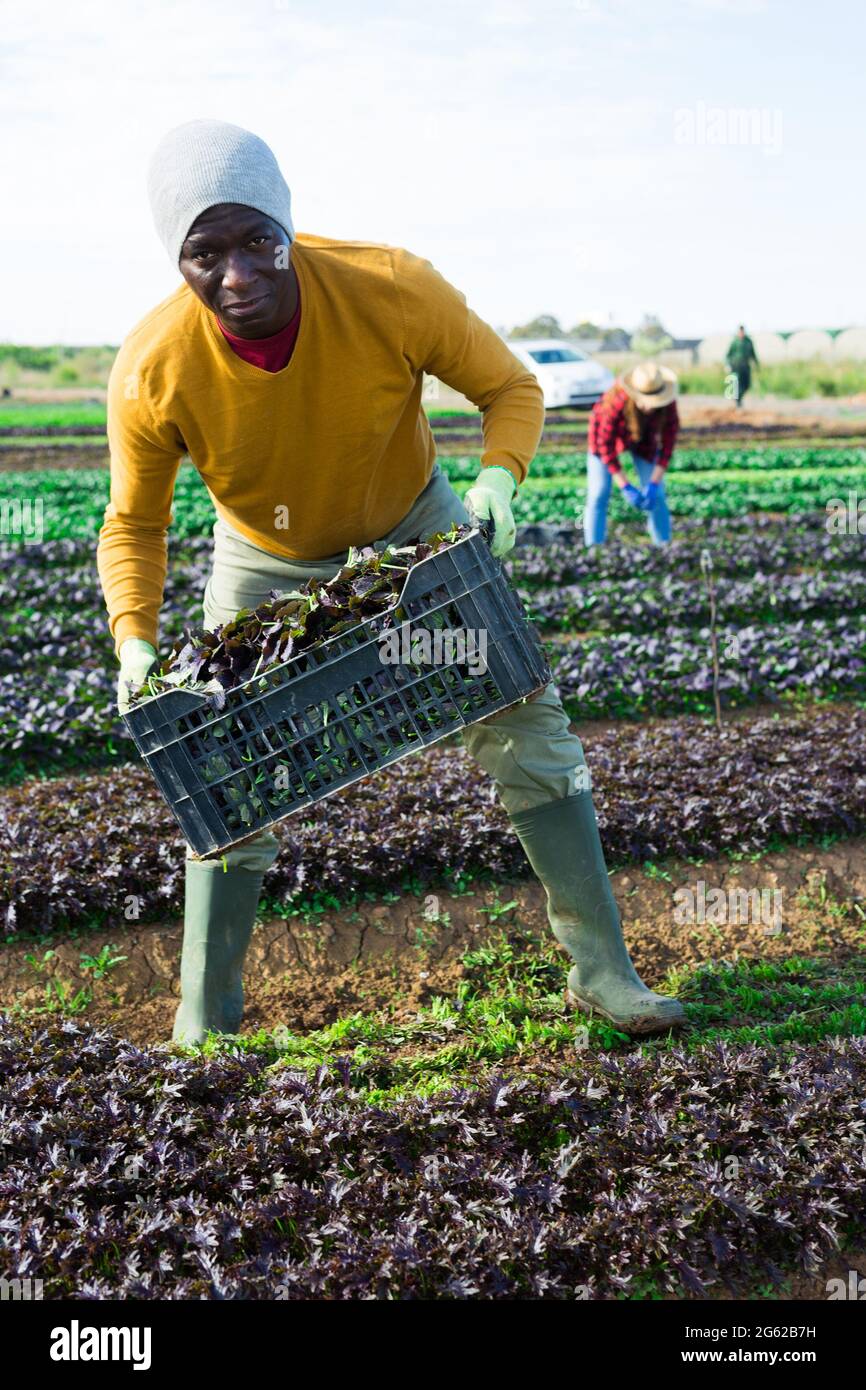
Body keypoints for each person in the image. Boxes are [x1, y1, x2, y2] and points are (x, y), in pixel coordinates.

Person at [97, 119, 684, 1042]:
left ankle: (604, 971)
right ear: (176, 260)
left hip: (414, 531)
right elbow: (135, 524)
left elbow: (511, 389)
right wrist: (133, 637)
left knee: (525, 720)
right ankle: (204, 1018)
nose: (238, 275)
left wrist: (498, 479)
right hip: (263, 562)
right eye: (204, 254)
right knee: (225, 770)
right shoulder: (153, 367)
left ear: (287, 226)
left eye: (258, 240)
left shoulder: (389, 286)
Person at [583, 361, 679, 546]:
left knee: (657, 495)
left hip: (645, 439)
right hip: (603, 441)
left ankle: (664, 545)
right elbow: (606, 447)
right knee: (598, 493)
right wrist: (625, 486)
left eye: (654, 401)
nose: (650, 407)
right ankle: (594, 547)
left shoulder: (667, 404)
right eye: (645, 400)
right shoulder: (614, 403)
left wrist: (653, 483)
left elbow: (668, 445)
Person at [725, 325, 759, 407]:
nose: (741, 333)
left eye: (742, 332)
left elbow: (753, 354)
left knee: (747, 385)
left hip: (745, 366)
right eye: (740, 332)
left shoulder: (748, 341)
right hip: (736, 366)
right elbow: (728, 355)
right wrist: (727, 365)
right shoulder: (734, 342)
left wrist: (757, 364)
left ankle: (738, 398)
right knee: (737, 384)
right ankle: (738, 401)